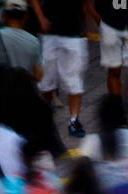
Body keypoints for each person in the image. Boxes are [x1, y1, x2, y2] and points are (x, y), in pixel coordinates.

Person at [32, 0, 92, 139]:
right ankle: (46, 116)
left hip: (73, 33)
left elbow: (85, 3)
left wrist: (86, 29)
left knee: (74, 81)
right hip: (50, 35)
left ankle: (74, 120)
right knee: (47, 81)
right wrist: (41, 19)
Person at [0, 1, 42, 77]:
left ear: (4, 15)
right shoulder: (34, 41)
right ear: (25, 16)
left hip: (1, 86)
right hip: (24, 87)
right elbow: (38, 75)